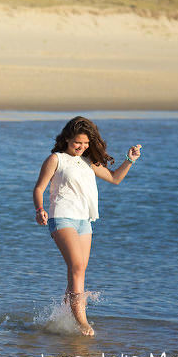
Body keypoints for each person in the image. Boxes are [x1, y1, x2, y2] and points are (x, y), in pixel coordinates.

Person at [33, 116, 142, 336]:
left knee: (78, 270)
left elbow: (114, 178)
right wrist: (39, 209)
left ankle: (61, 320)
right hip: (61, 217)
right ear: (66, 139)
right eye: (77, 143)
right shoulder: (56, 159)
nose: (82, 147)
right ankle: (82, 322)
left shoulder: (89, 161)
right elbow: (39, 188)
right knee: (77, 267)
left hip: (84, 221)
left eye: (85, 143)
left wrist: (129, 160)